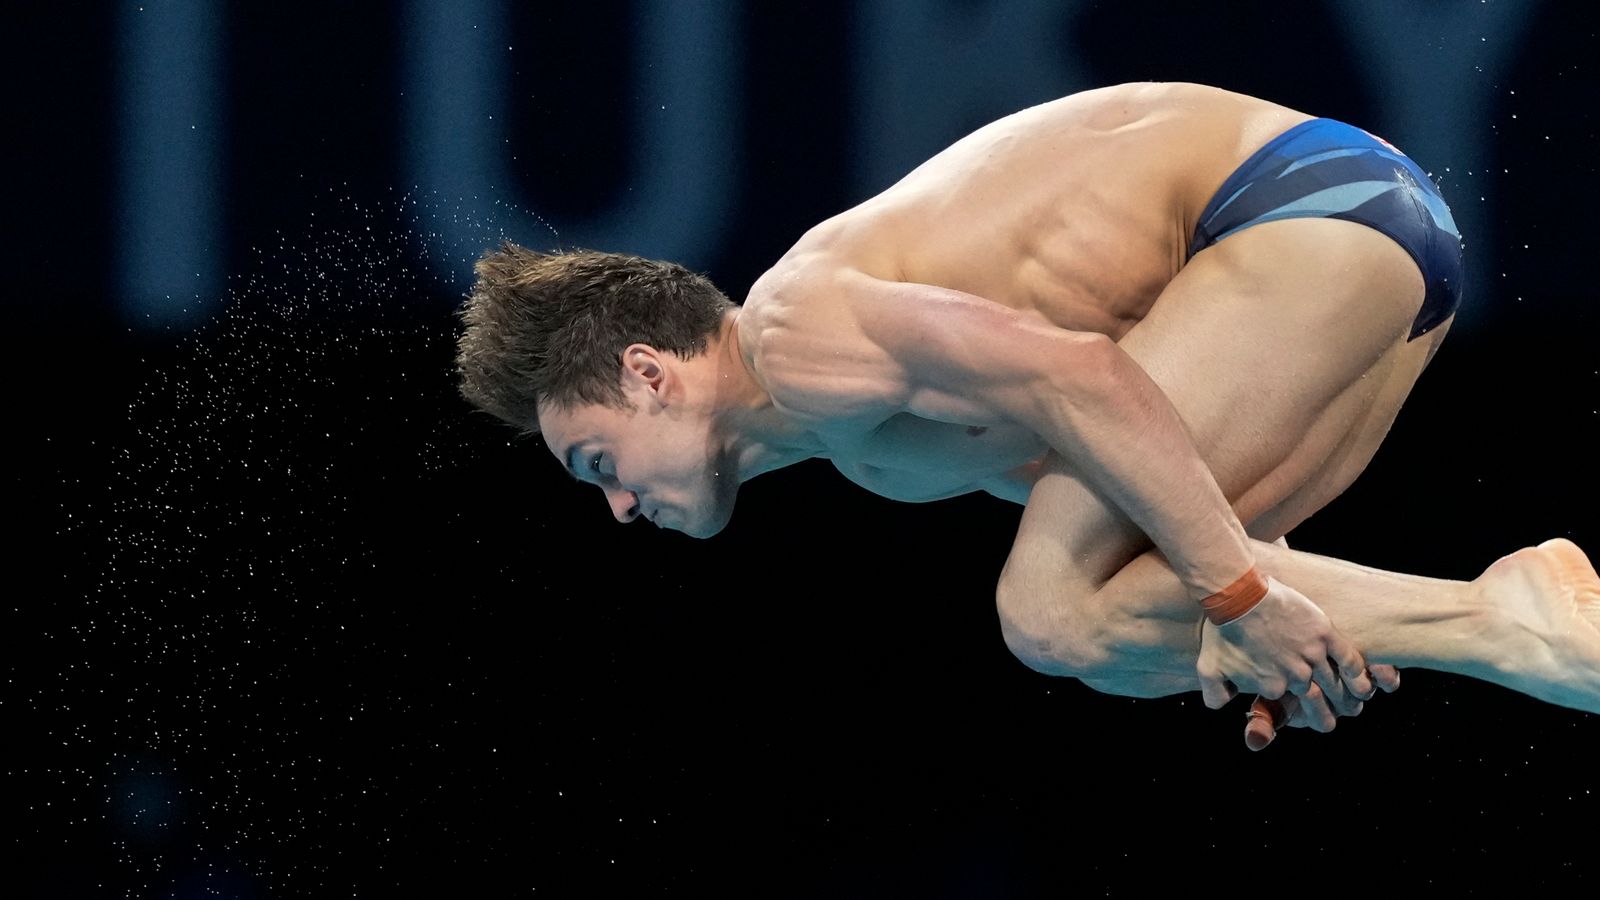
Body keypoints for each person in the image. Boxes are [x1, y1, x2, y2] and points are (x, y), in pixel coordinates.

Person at [454, 81, 1600, 749]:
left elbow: (1085, 380)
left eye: (596, 461)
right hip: (1379, 236)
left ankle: (1501, 619)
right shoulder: (877, 463)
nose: (617, 506)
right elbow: (1156, 473)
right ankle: (1526, 632)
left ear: (650, 374)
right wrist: (1265, 630)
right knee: (1115, 626)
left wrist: (1245, 598)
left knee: (1049, 611)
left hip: (1296, 205)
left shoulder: (797, 331)